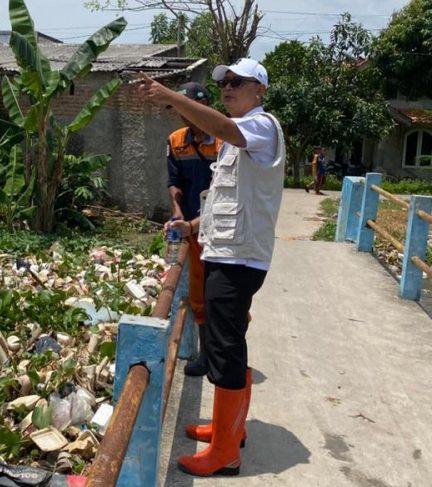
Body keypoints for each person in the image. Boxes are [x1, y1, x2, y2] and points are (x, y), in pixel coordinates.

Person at [137, 57, 285, 477]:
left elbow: (221, 126)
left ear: (260, 90)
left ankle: (225, 453)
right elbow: (223, 201)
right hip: (225, 251)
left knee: (224, 347)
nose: (229, 87)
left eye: (239, 82)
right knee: (228, 343)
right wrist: (191, 224)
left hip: (239, 258)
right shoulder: (239, 143)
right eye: (226, 82)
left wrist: (170, 97)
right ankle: (227, 431)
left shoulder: (260, 126)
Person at [165, 82, 222, 377]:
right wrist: (178, 214)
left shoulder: (224, 143)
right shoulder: (175, 140)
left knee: (225, 294)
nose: (182, 115)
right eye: (179, 109)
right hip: (190, 231)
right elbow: (174, 182)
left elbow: (224, 195)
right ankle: (205, 355)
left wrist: (193, 224)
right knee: (198, 294)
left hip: (222, 232)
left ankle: (223, 352)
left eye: (186, 107)